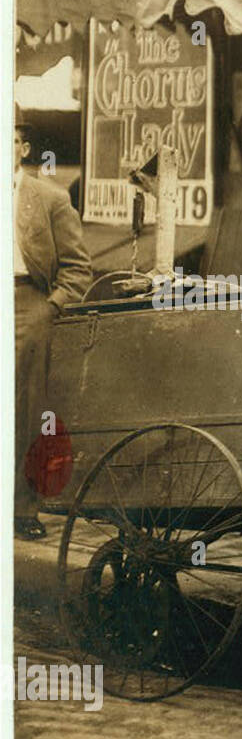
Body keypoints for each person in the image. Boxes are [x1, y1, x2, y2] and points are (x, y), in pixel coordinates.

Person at [14, 107, 91, 539]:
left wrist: (51, 307)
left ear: (22, 150)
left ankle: (23, 508)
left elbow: (79, 268)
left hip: (29, 302)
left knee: (26, 408)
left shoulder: (50, 199)